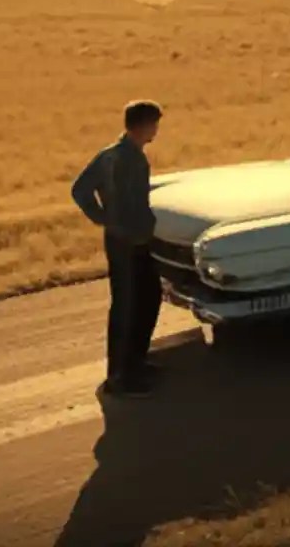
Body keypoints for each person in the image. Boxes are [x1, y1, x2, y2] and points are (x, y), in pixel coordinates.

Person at [71, 100, 164, 398]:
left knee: (149, 298)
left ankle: (136, 362)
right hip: (124, 242)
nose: (156, 130)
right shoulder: (120, 158)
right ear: (142, 125)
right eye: (154, 123)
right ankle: (119, 377)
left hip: (137, 239)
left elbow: (82, 189)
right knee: (126, 307)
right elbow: (80, 190)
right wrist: (105, 219)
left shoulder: (122, 155)